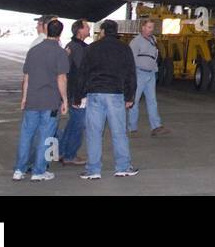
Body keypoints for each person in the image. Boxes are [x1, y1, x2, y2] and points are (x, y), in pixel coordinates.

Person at [78, 19, 138, 180]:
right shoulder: (124, 48)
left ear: (103, 31)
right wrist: (130, 96)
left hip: (95, 93)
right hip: (116, 94)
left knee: (94, 133)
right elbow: (131, 74)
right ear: (116, 31)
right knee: (119, 132)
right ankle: (123, 167)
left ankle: (93, 170)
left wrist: (79, 95)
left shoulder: (92, 48)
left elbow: (83, 73)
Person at [13, 18, 69, 182]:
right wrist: (64, 100)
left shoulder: (34, 50)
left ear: (46, 30)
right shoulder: (60, 53)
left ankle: (19, 169)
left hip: (32, 100)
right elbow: (62, 78)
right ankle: (39, 170)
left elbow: (27, 77)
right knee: (47, 136)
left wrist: (24, 97)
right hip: (50, 102)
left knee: (26, 135)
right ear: (60, 33)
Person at [127, 18, 170, 137]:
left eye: (152, 27)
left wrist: (155, 70)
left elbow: (155, 56)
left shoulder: (153, 39)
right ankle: (132, 128)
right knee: (134, 101)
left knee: (152, 101)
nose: (151, 30)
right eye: (149, 27)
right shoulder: (135, 42)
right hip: (139, 73)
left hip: (150, 74)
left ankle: (156, 126)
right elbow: (130, 60)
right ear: (143, 27)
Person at [57, 19, 92, 166]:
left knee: (73, 123)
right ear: (80, 30)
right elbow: (80, 73)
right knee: (79, 123)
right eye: (87, 26)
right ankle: (70, 155)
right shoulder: (78, 48)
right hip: (78, 93)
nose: (89, 28)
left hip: (72, 92)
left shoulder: (72, 46)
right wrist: (79, 95)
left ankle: (62, 151)